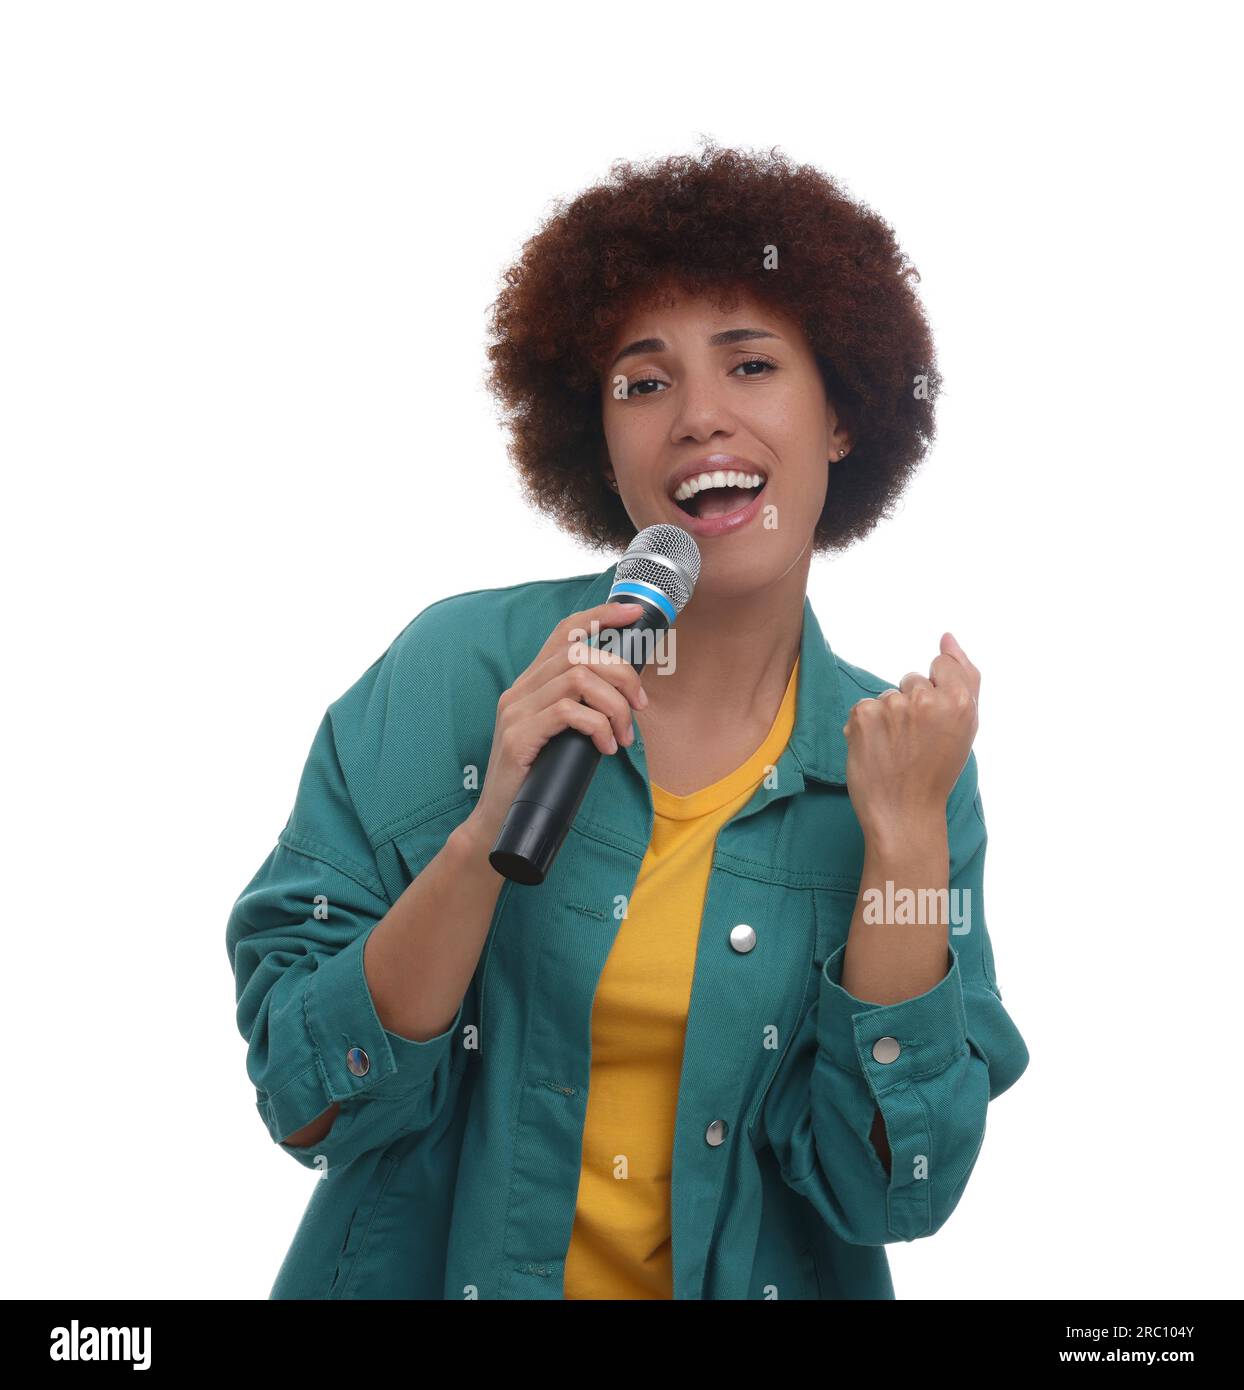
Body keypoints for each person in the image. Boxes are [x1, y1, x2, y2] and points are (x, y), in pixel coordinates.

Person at [225, 141, 1029, 1300]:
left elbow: (891, 1190)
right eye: (642, 383)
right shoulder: (455, 674)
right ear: (596, 441)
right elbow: (313, 1098)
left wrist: (902, 844)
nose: (700, 416)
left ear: (843, 417)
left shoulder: (902, 765)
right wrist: (479, 841)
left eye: (750, 364)